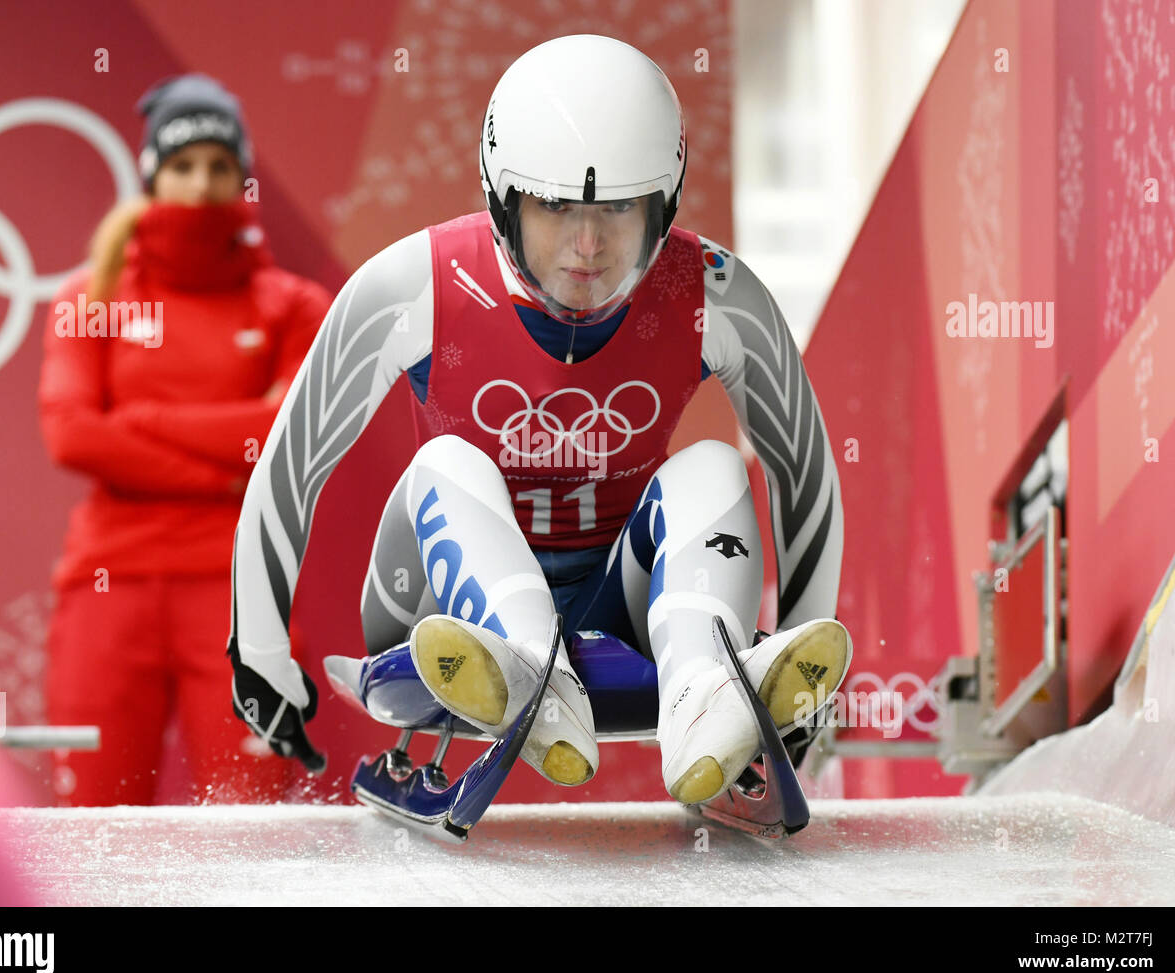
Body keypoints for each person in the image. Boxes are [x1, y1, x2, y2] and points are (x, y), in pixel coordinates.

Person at [229, 35, 852, 805]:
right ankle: (528, 665)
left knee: (715, 465)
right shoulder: (412, 282)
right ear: (502, 197)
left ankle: (703, 688)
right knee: (446, 462)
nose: (587, 248)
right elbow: (293, 465)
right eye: (555, 206)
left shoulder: (714, 290)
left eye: (619, 209)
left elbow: (805, 472)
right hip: (437, 606)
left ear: (666, 202)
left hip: (616, 599)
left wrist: (800, 663)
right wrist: (258, 651)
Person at [39, 74, 332, 805]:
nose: (201, 185)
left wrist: (141, 424)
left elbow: (289, 435)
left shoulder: (294, 305)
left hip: (241, 592)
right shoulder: (89, 296)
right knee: (92, 830)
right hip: (109, 583)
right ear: (151, 174)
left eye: (219, 166)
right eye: (182, 165)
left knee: (250, 831)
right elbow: (72, 436)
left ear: (241, 177)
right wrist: (230, 467)